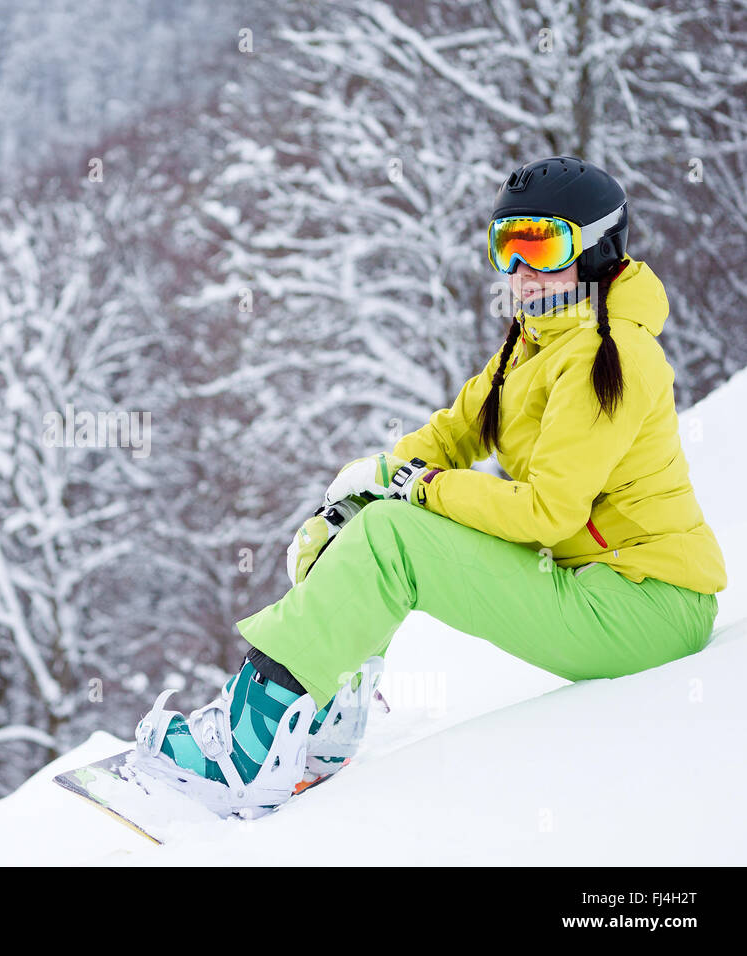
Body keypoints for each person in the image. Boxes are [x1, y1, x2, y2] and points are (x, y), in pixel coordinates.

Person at [132, 156, 727, 815]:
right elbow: (453, 432)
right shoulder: (535, 341)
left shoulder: (607, 355)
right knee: (362, 527)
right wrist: (368, 484)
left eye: (543, 244)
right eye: (508, 244)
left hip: (648, 607)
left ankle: (242, 750)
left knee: (395, 539)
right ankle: (322, 721)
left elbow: (548, 514)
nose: (521, 270)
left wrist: (416, 489)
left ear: (596, 250)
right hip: (600, 588)